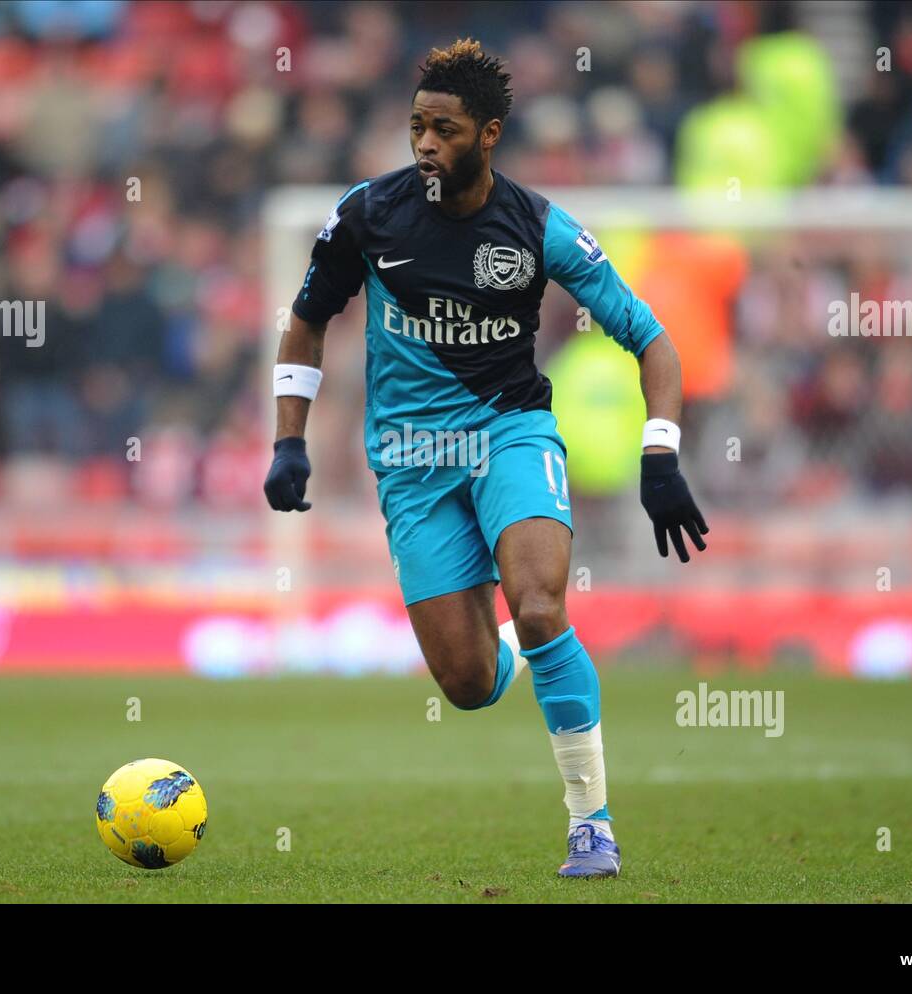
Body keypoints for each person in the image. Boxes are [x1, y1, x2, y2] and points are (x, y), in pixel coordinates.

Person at [263, 39, 707, 878]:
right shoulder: (369, 214)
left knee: (540, 605)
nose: (425, 144)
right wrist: (289, 438)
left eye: (444, 129)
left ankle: (591, 823)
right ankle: (510, 646)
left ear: (490, 134)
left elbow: (651, 339)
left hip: (511, 433)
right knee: (467, 685)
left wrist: (662, 454)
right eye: (416, 127)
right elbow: (306, 318)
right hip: (411, 457)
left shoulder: (541, 228)